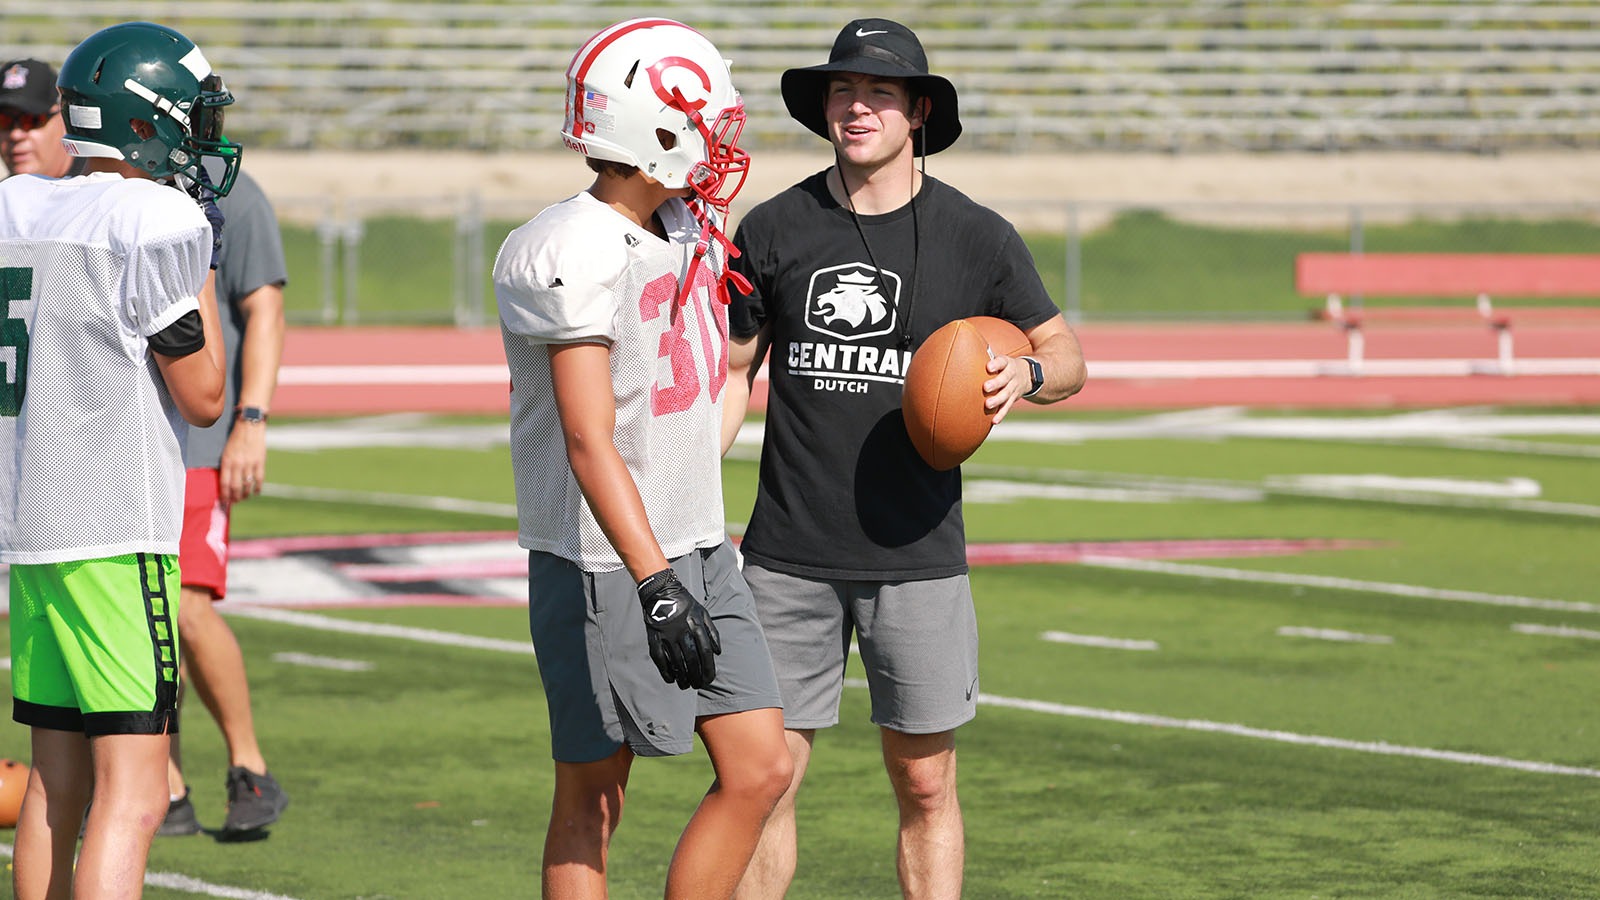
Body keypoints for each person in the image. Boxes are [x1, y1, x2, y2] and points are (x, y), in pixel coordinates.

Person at [723, 18, 1087, 900]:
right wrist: (687, 491)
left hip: (916, 557)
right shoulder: (772, 227)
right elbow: (733, 373)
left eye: (879, 93)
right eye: (842, 92)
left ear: (918, 111)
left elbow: (1069, 357)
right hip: (785, 558)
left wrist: (1028, 374)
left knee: (926, 782)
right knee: (762, 783)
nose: (857, 107)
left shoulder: (978, 236)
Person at [492, 18, 791, 900]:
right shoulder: (566, 247)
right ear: (652, 130)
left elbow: (695, 395)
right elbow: (591, 438)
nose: (721, 145)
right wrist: (656, 582)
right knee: (595, 794)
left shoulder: (683, 226)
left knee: (761, 766)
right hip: (609, 559)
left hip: (697, 540)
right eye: (705, 123)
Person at [0, 20, 238, 899]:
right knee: (132, 794)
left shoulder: (17, 202)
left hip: (31, 529)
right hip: (111, 527)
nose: (202, 136)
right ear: (151, 119)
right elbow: (204, 393)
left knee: (55, 786)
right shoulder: (155, 216)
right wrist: (200, 267)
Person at [159, 157, 289, 838]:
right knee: (140, 617)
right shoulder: (87, 187)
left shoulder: (223, 185)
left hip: (197, 442)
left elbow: (262, 303)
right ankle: (168, 787)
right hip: (120, 449)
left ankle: (250, 767)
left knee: (186, 608)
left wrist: (252, 419)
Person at [0, 58, 85, 179]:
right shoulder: (4, 194)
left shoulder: (102, 188)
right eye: (3, 121)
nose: (15, 135)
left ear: (65, 119)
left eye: (30, 120)